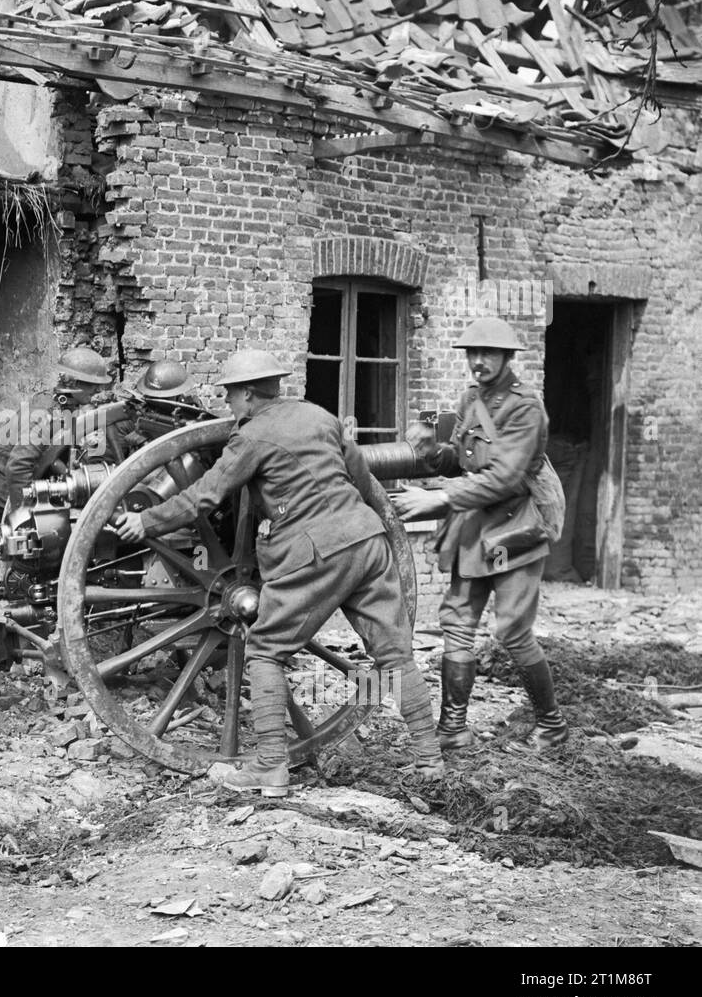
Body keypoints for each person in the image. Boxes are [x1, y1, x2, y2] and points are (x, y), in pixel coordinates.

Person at [115, 349, 443, 794]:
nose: (229, 404)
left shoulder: (250, 437)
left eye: (231, 395)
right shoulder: (319, 416)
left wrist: (146, 521)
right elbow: (365, 484)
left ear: (248, 394)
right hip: (368, 542)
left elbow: (205, 498)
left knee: (266, 650)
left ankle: (270, 767)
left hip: (314, 551)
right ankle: (430, 762)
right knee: (395, 655)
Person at [391, 317, 568, 750]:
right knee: (456, 625)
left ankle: (551, 724)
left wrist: (440, 499)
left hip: (517, 528)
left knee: (511, 632)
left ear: (508, 358)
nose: (477, 362)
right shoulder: (471, 398)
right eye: (472, 353)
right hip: (476, 524)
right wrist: (433, 453)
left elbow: (506, 477)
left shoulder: (526, 408)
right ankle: (453, 729)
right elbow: (465, 460)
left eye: (487, 354)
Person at [0, 346, 114, 521]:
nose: (98, 390)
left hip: (4, 473)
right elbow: (18, 466)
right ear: (73, 383)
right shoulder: (48, 415)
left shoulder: (63, 404)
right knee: (42, 530)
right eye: (92, 384)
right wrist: (23, 515)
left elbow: (53, 452)